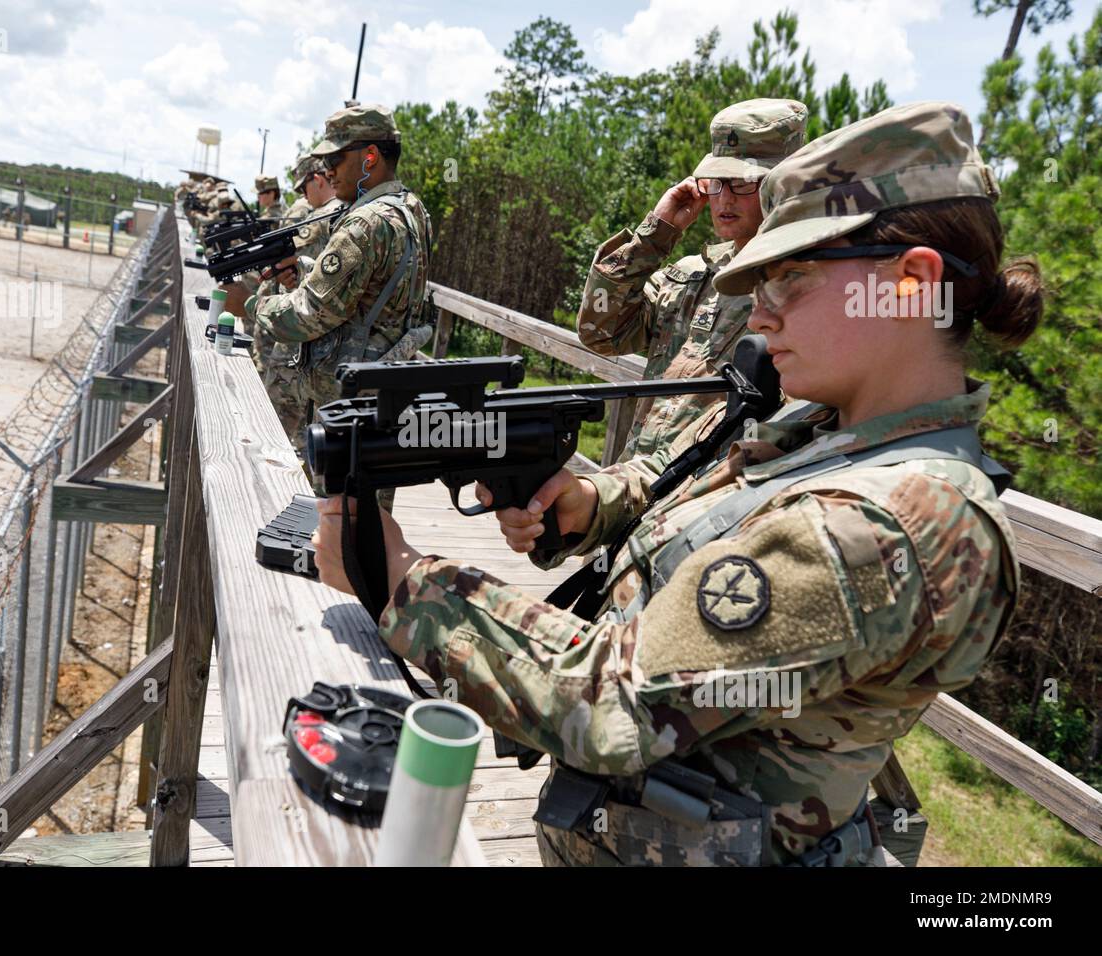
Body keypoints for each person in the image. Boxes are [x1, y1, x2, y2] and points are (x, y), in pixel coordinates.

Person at [311, 102, 1042, 866]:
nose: (759, 313)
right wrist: (590, 503)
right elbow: (690, 481)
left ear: (910, 285)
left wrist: (398, 577)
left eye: (789, 278)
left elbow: (613, 703)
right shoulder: (825, 425)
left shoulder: (894, 522)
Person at [578, 99, 807, 462]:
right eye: (716, 182)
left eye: (743, 182)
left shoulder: (809, 284)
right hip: (634, 487)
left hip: (716, 498)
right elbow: (601, 332)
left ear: (782, 184)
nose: (724, 199)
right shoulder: (692, 273)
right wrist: (654, 236)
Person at [245, 103, 433, 416]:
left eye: (335, 158)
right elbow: (377, 289)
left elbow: (309, 315)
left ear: (370, 156)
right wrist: (305, 268)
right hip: (385, 388)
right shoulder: (413, 209)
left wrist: (250, 305)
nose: (328, 171)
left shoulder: (365, 223)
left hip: (344, 399)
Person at [261, 152, 346, 452]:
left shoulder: (325, 215)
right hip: (328, 335)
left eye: (304, 187)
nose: (303, 196)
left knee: (277, 412)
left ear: (318, 179)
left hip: (308, 329)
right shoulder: (346, 211)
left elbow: (293, 257)